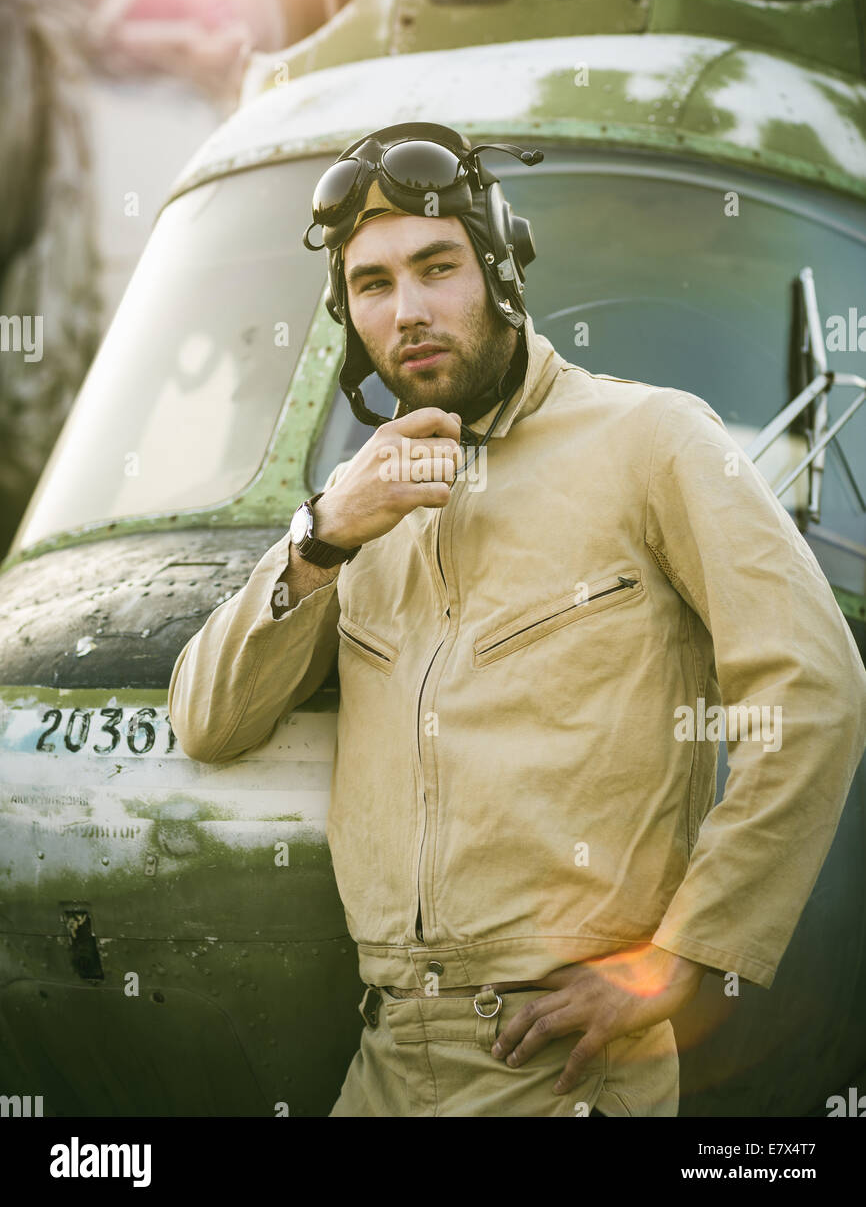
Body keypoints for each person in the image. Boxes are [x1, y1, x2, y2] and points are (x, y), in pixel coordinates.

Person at [168, 121, 866, 1118]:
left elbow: (813, 688)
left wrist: (682, 956)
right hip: (380, 1062)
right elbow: (207, 718)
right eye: (371, 285)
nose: (406, 311)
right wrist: (321, 533)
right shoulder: (362, 507)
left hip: (559, 1067)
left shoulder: (653, 440)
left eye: (435, 266)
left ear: (496, 270)